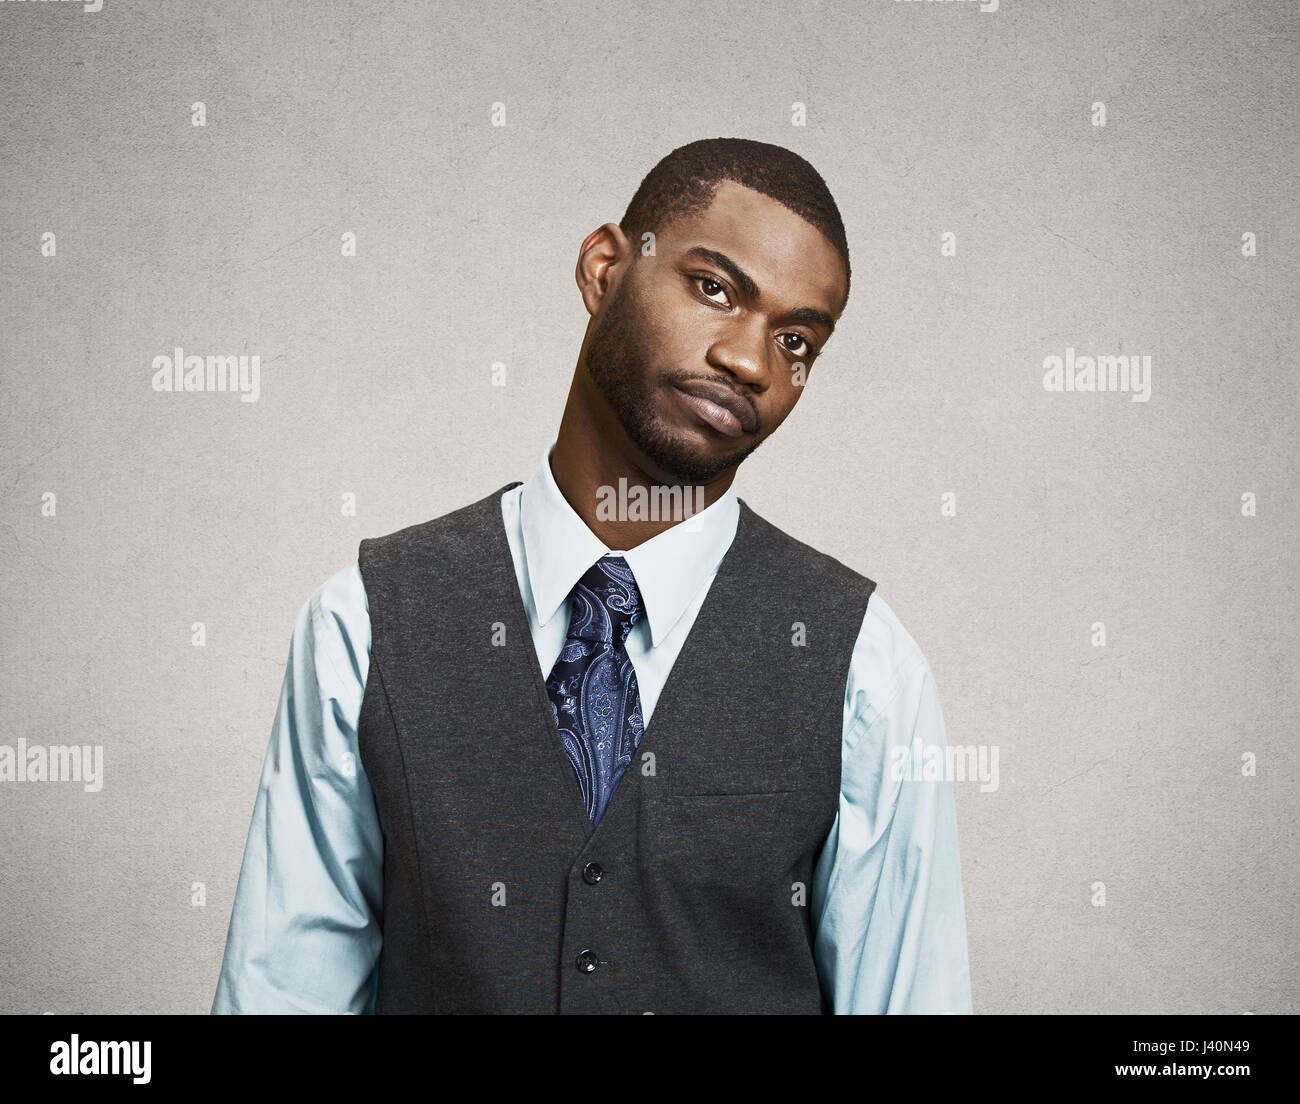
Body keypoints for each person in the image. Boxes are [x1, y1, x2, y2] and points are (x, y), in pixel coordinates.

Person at [212, 137, 972, 1014]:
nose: (749, 362)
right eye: (714, 289)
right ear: (604, 268)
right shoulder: (366, 625)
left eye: (795, 339)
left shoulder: (865, 669)